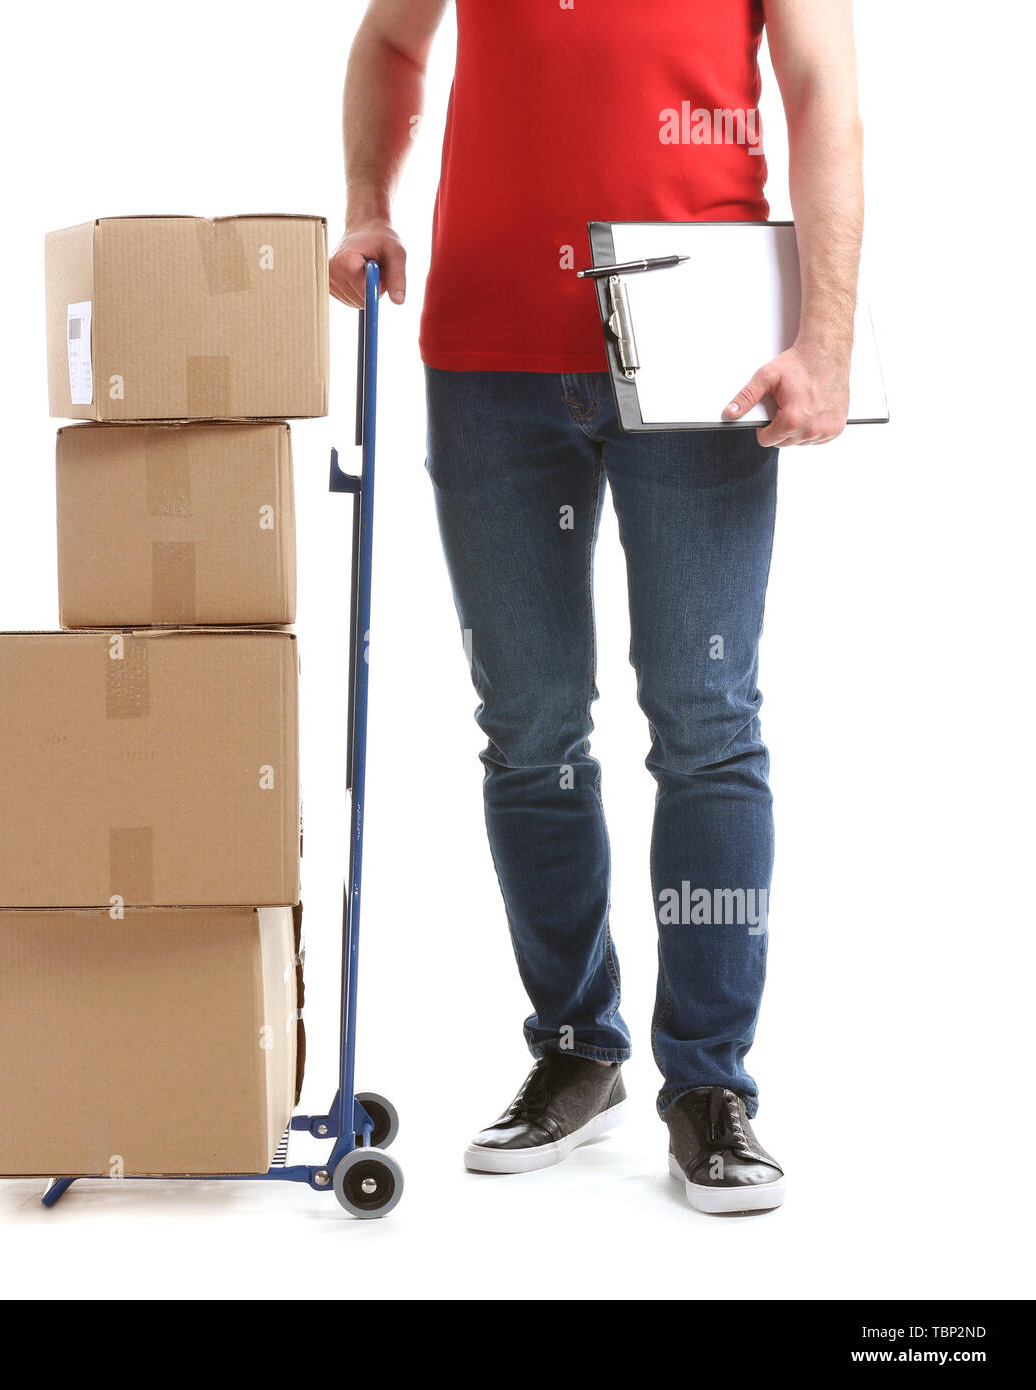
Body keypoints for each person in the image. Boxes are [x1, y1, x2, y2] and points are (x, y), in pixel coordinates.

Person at [330, 0, 862, 1215]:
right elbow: (389, 43)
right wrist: (369, 201)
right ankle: (576, 1045)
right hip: (486, 354)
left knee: (703, 716)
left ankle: (708, 1087)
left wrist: (822, 335)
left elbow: (822, 90)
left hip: (701, 337)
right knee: (526, 726)